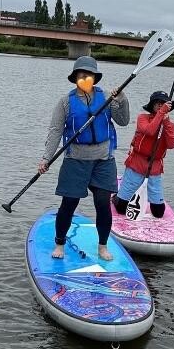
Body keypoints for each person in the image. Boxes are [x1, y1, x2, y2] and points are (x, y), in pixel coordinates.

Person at [38, 56, 130, 261]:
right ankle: (60, 243)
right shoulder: (65, 102)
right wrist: (46, 158)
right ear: (75, 77)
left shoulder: (106, 97)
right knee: (69, 203)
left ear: (94, 78)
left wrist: (122, 99)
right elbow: (55, 131)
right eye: (82, 74)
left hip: (103, 160)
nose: (85, 78)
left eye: (89, 75)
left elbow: (123, 121)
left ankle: (103, 246)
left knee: (102, 202)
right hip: (75, 159)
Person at [112, 91, 174, 218]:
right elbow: (149, 131)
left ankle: (152, 199)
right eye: (158, 104)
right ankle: (117, 197)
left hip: (155, 168)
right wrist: (160, 114)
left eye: (163, 104)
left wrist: (166, 123)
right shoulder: (142, 118)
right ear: (152, 105)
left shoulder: (170, 125)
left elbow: (171, 144)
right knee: (121, 209)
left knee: (158, 213)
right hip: (136, 163)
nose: (160, 106)